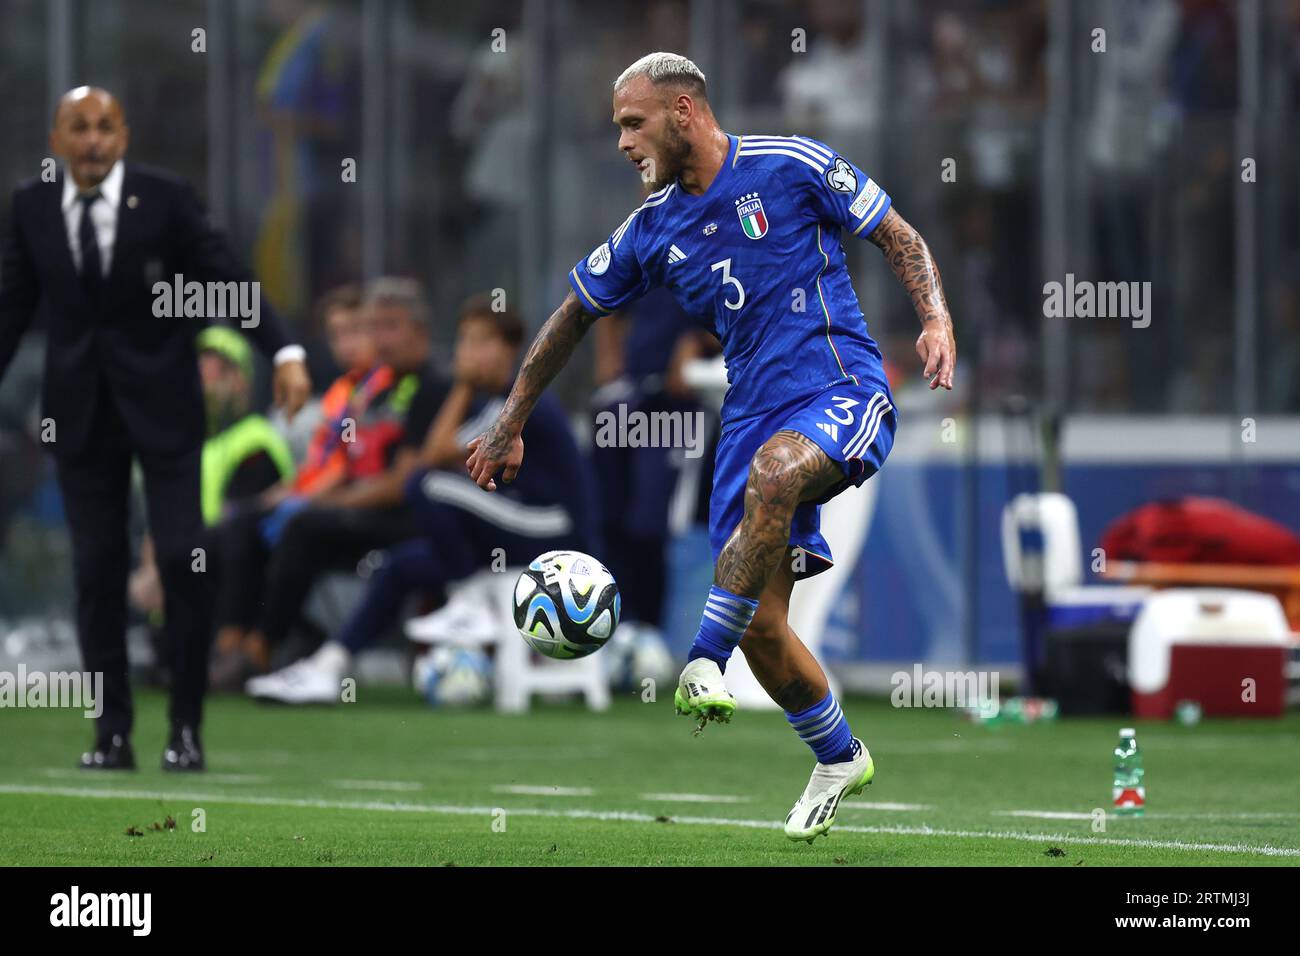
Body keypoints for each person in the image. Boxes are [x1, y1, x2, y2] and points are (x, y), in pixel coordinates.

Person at [466, 53, 956, 841]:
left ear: (684, 112)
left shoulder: (790, 165)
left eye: (634, 122)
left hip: (841, 390)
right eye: (617, 127)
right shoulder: (651, 228)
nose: (623, 142)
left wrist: (934, 317)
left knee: (777, 476)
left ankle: (700, 657)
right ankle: (837, 755)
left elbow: (897, 234)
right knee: (764, 626)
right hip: (750, 418)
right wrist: (511, 419)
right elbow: (572, 316)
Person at [0, 86, 311, 771]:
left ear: (124, 135)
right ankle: (111, 734)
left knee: (180, 559)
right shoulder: (31, 206)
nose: (92, 140)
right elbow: (12, 307)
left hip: (165, 413)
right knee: (97, 572)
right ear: (57, 140)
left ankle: (186, 727)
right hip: (80, 417)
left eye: (105, 127)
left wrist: (283, 350)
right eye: (78, 128)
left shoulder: (166, 198)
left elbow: (227, 279)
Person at [246, 295, 595, 703]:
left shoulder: (518, 400)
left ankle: (467, 602)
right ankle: (329, 668)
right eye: (464, 341)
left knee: (427, 484)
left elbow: (431, 458)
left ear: (511, 351)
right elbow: (440, 449)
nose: (468, 353)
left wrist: (461, 386)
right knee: (400, 566)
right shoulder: (483, 399)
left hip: (553, 531)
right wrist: (465, 386)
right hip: (508, 525)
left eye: (481, 342)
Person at [213, 277, 447, 686]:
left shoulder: (433, 388)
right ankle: (227, 648)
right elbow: (344, 466)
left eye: (391, 326)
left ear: (419, 331)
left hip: (409, 519)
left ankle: (261, 650)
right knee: (242, 526)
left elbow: (400, 486)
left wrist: (326, 503)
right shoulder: (371, 394)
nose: (381, 339)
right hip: (359, 512)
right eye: (375, 327)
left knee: (304, 526)